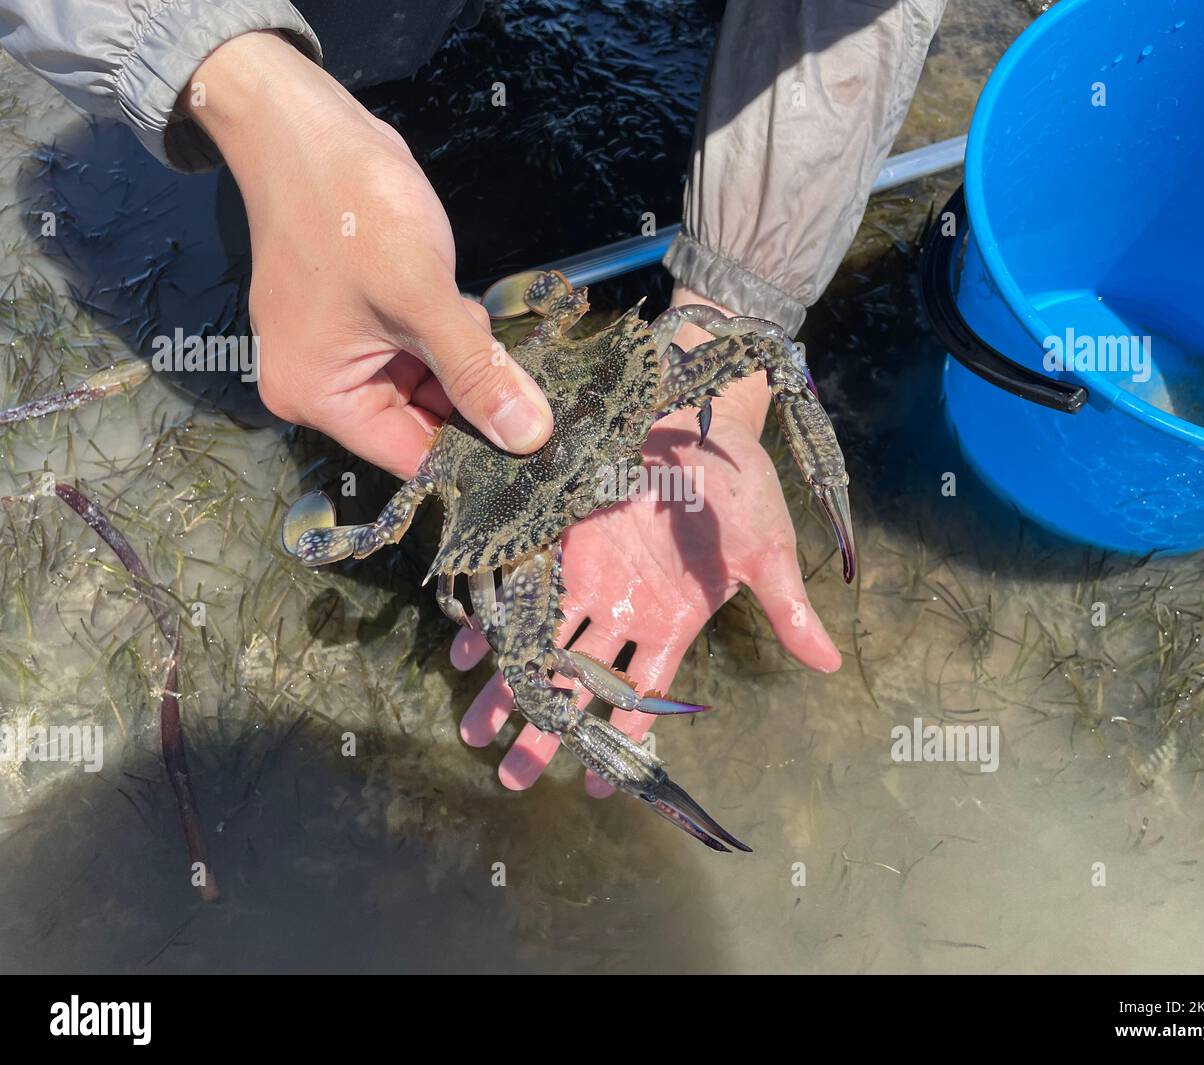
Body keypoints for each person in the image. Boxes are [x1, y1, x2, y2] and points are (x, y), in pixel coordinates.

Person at [0, 1, 945, 797]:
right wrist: (247, 89)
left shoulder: (608, 358)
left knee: (762, 338)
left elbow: (751, 348)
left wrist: (728, 329)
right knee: (535, 675)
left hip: (554, 411)